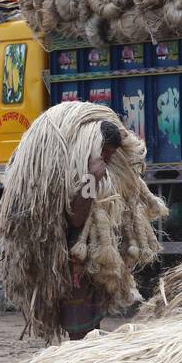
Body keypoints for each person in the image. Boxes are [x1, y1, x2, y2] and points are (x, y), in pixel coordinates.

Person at [60, 120, 123, 340]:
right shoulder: (78, 172)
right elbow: (76, 218)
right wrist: (92, 178)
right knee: (79, 323)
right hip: (75, 259)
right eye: (104, 152)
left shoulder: (104, 172)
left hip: (94, 259)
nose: (107, 159)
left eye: (111, 154)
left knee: (94, 320)